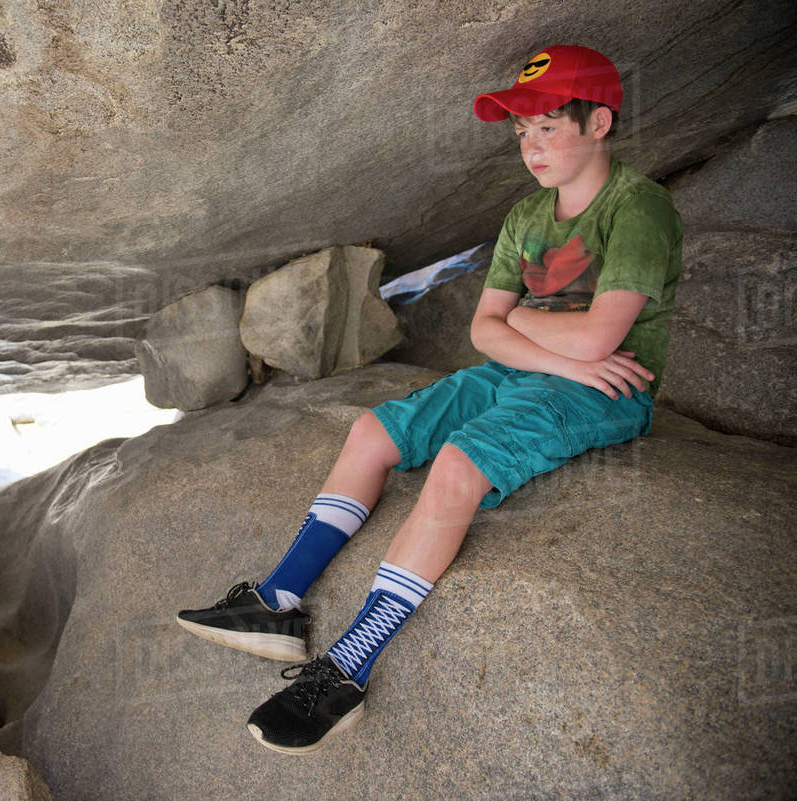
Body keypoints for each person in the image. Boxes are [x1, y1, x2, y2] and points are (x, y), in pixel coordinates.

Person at [176, 44, 683, 754]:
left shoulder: (638, 210)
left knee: (456, 463)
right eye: (521, 133)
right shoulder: (527, 214)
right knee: (373, 434)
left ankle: (348, 668)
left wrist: (523, 327)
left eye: (548, 127)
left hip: (603, 391)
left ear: (599, 122)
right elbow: (485, 328)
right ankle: (278, 601)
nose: (532, 148)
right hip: (526, 370)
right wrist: (533, 335)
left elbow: (600, 338)